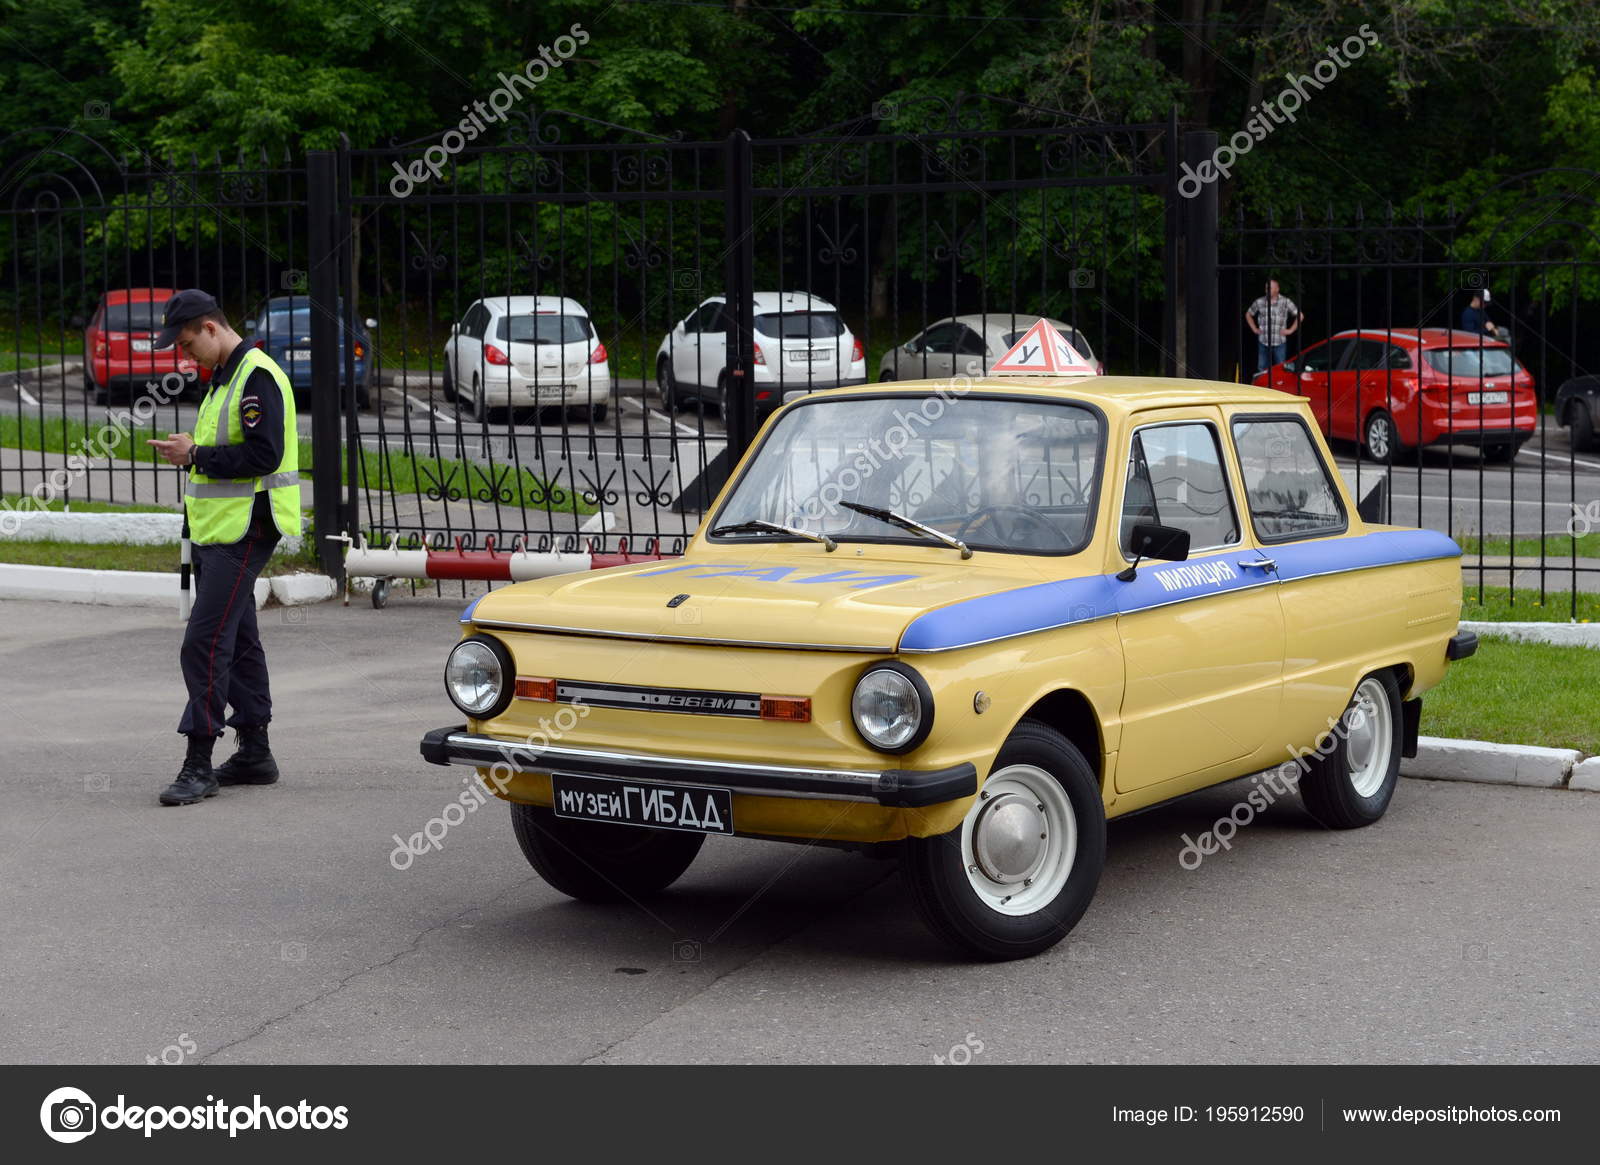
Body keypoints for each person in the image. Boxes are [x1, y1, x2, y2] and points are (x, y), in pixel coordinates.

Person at [146, 289, 300, 806]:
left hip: (246, 529)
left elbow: (264, 453)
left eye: (187, 343)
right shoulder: (225, 379)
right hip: (223, 530)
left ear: (211, 328)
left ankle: (198, 763)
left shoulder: (256, 376)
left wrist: (198, 453)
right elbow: (220, 455)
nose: (184, 354)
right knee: (240, 639)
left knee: (204, 642)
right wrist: (191, 455)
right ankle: (255, 751)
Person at [1246, 279, 1302, 374]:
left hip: (1279, 342)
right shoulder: (1260, 302)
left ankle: (1278, 388)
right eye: (1266, 288)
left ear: (1277, 289)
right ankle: (1262, 388)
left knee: (1281, 369)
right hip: (1263, 341)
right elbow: (1248, 314)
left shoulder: (1285, 302)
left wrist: (1291, 330)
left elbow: (1300, 315)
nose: (1267, 290)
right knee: (1261, 369)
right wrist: (1254, 329)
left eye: (1270, 288)